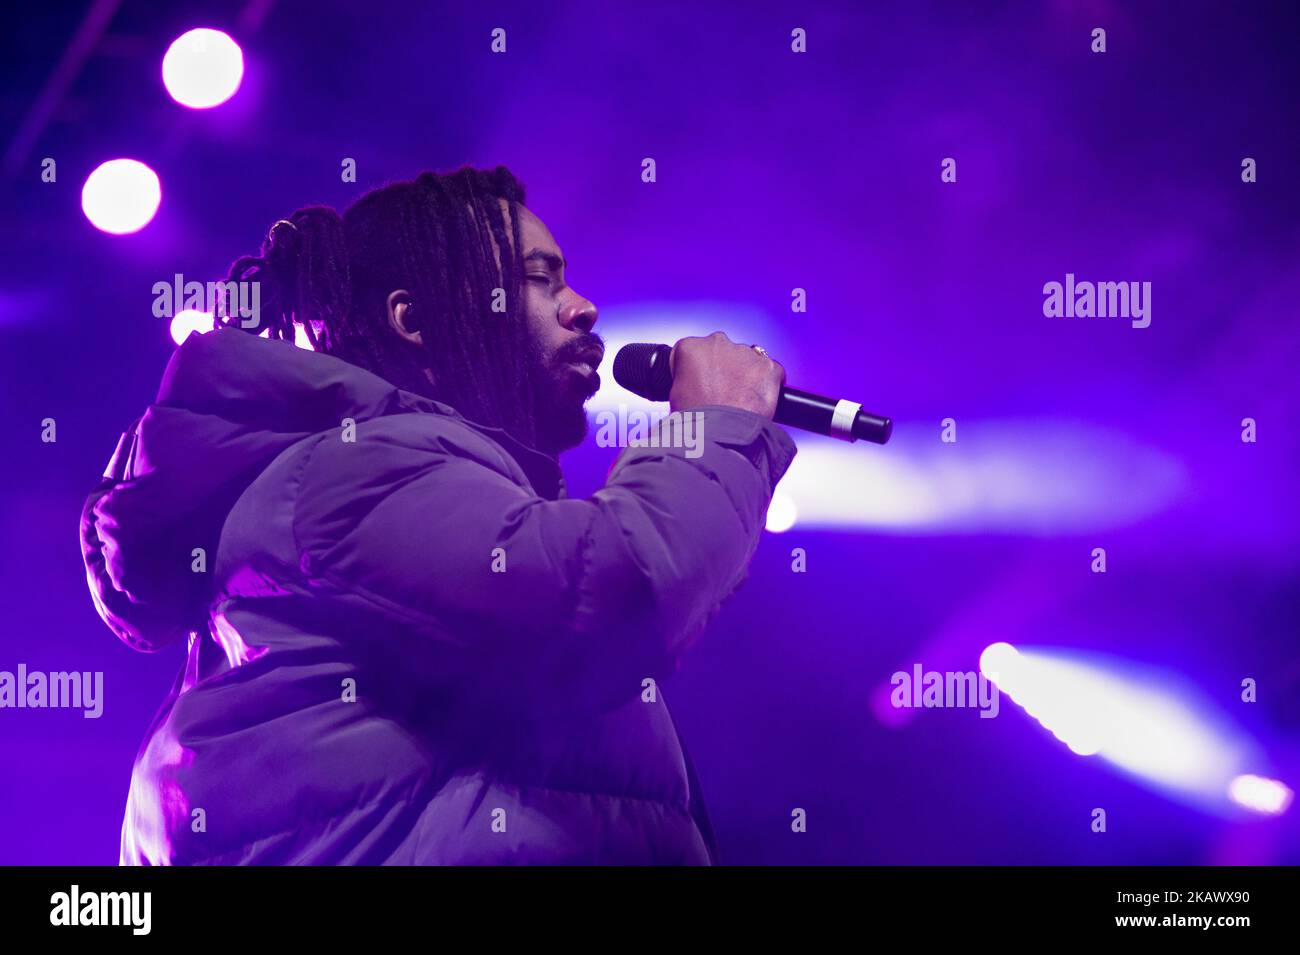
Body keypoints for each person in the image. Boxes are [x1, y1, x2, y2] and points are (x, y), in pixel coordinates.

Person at [80, 165, 796, 864]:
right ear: (414, 319)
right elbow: (613, 591)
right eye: (542, 279)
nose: (583, 309)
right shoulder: (349, 472)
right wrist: (713, 428)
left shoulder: (387, 481)